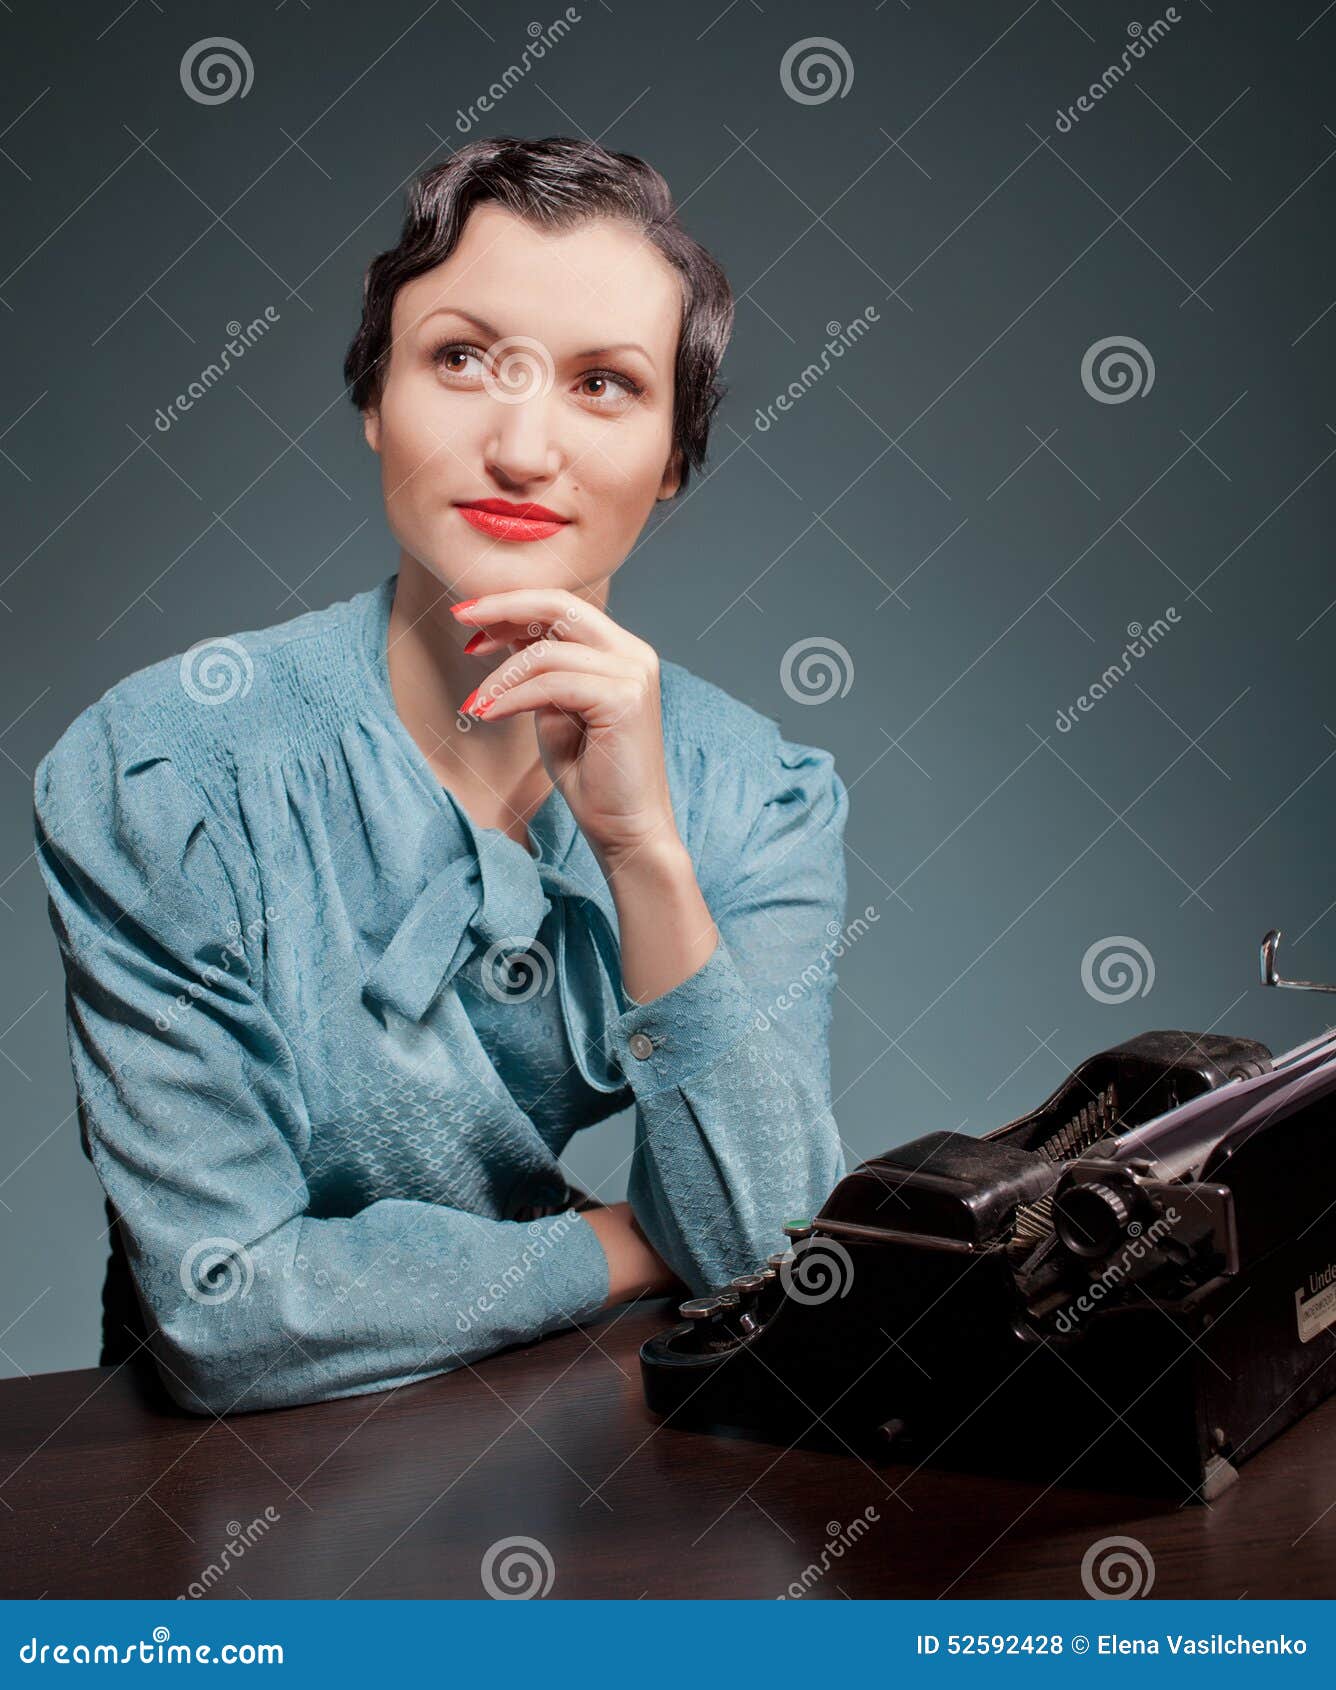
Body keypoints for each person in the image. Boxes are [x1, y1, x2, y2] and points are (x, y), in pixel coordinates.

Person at [32, 135, 849, 1417]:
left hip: (586, 1469)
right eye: (461, 358)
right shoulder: (166, 772)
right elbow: (226, 1308)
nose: (521, 449)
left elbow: (766, 1253)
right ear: (375, 397)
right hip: (221, 1495)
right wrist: (630, 1243)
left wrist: (642, 855)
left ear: (674, 459)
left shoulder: (758, 794)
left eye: (603, 383)